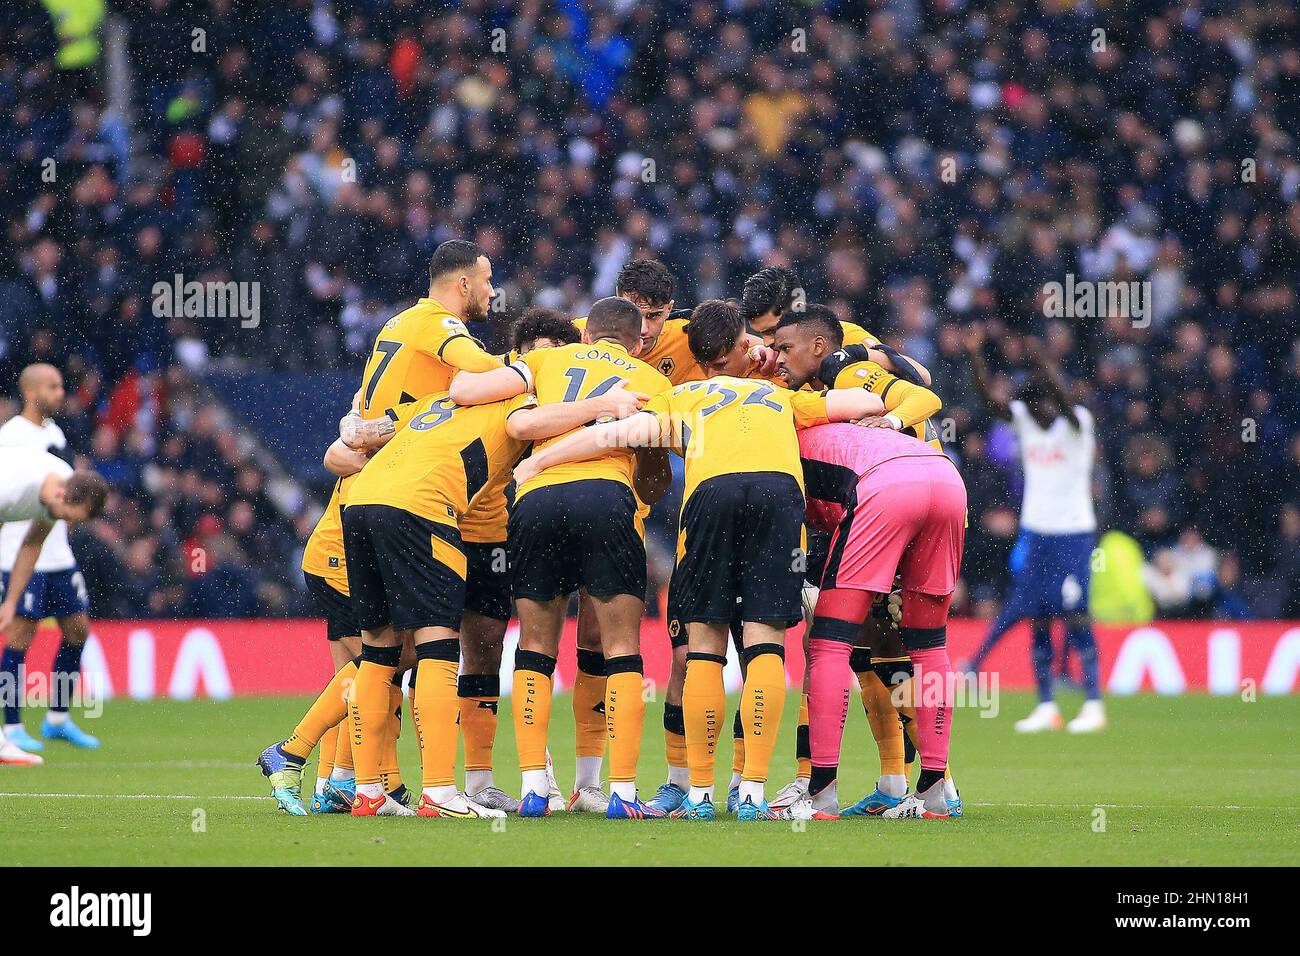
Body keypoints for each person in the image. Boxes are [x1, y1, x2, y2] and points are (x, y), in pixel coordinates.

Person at [513, 300, 887, 820]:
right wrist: (884, 416)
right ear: (741, 348)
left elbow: (610, 435)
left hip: (711, 498)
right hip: (780, 498)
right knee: (765, 645)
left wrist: (540, 461)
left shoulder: (679, 395)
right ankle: (753, 792)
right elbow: (852, 404)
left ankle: (698, 794)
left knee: (704, 647)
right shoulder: (777, 394)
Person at [450, 295, 671, 819]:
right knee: (620, 647)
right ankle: (619, 792)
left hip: (536, 500)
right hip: (605, 497)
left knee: (535, 646)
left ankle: (532, 788)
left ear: (586, 335)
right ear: (639, 342)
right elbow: (655, 478)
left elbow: (493, 407)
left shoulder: (549, 360)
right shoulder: (653, 382)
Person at [965, 327, 1105, 734]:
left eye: (1045, 403)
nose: (1039, 411)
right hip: (1036, 533)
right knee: (1039, 616)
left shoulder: (1077, 423)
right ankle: (1046, 704)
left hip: (1074, 533)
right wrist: (976, 357)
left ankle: (1094, 703)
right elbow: (992, 403)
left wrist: (1039, 360)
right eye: (1033, 404)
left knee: (1077, 612)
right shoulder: (1027, 420)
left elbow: (1060, 395)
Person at [0, 364, 99, 753]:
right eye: (52, 387)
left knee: (77, 629)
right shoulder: (12, 437)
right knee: (20, 635)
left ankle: (58, 717)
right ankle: (12, 726)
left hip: (55, 549)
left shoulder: (55, 434)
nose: (61, 393)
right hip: (18, 548)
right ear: (30, 391)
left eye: (61, 386)